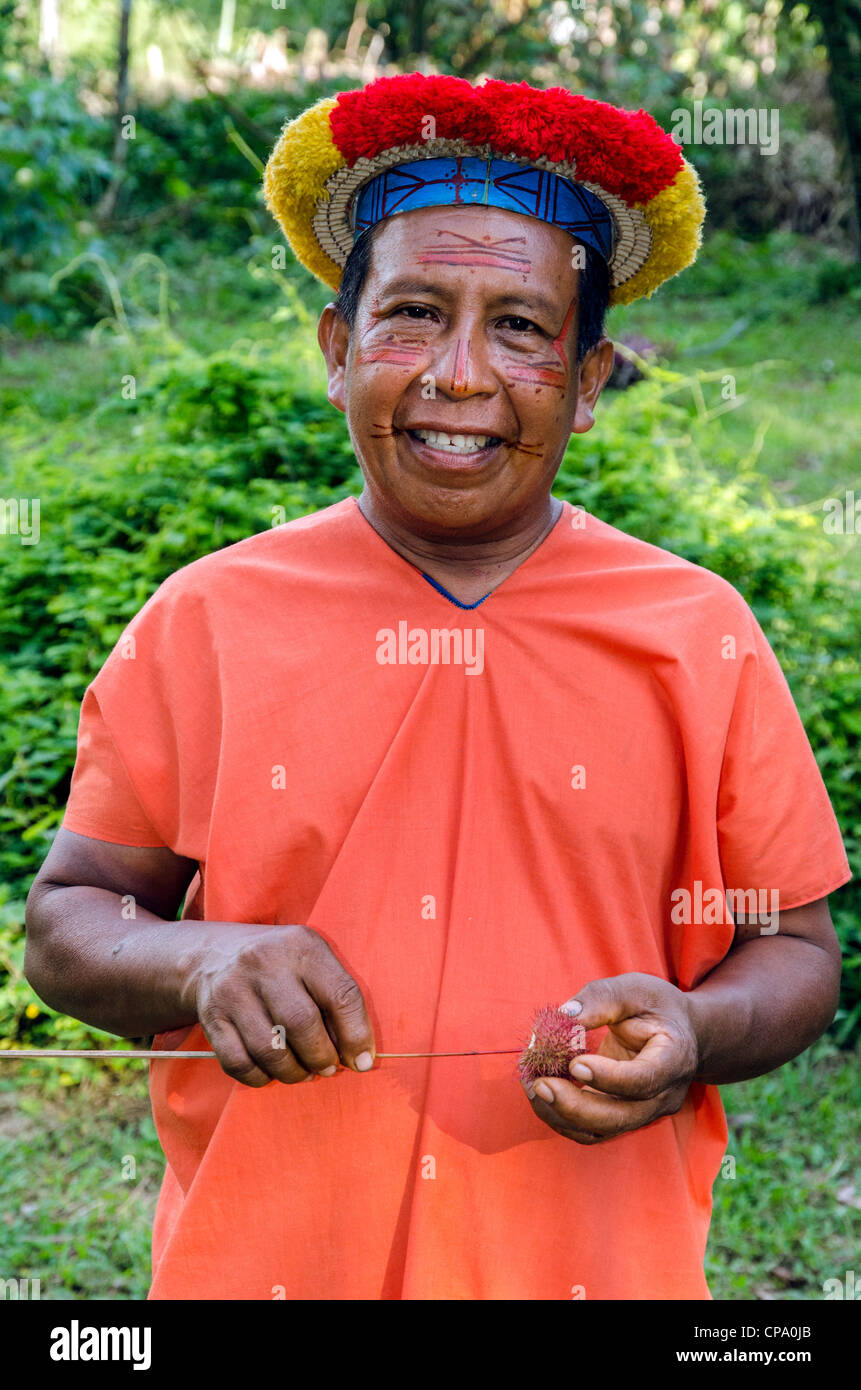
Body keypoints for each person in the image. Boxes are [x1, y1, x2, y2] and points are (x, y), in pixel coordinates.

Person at [25, 73, 850, 1301]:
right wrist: (199, 960)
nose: (460, 374)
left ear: (586, 378)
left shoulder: (697, 634)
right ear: (335, 348)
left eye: (520, 326)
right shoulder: (207, 619)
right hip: (261, 1268)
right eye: (412, 312)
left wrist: (698, 1032)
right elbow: (69, 919)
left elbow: (794, 949)